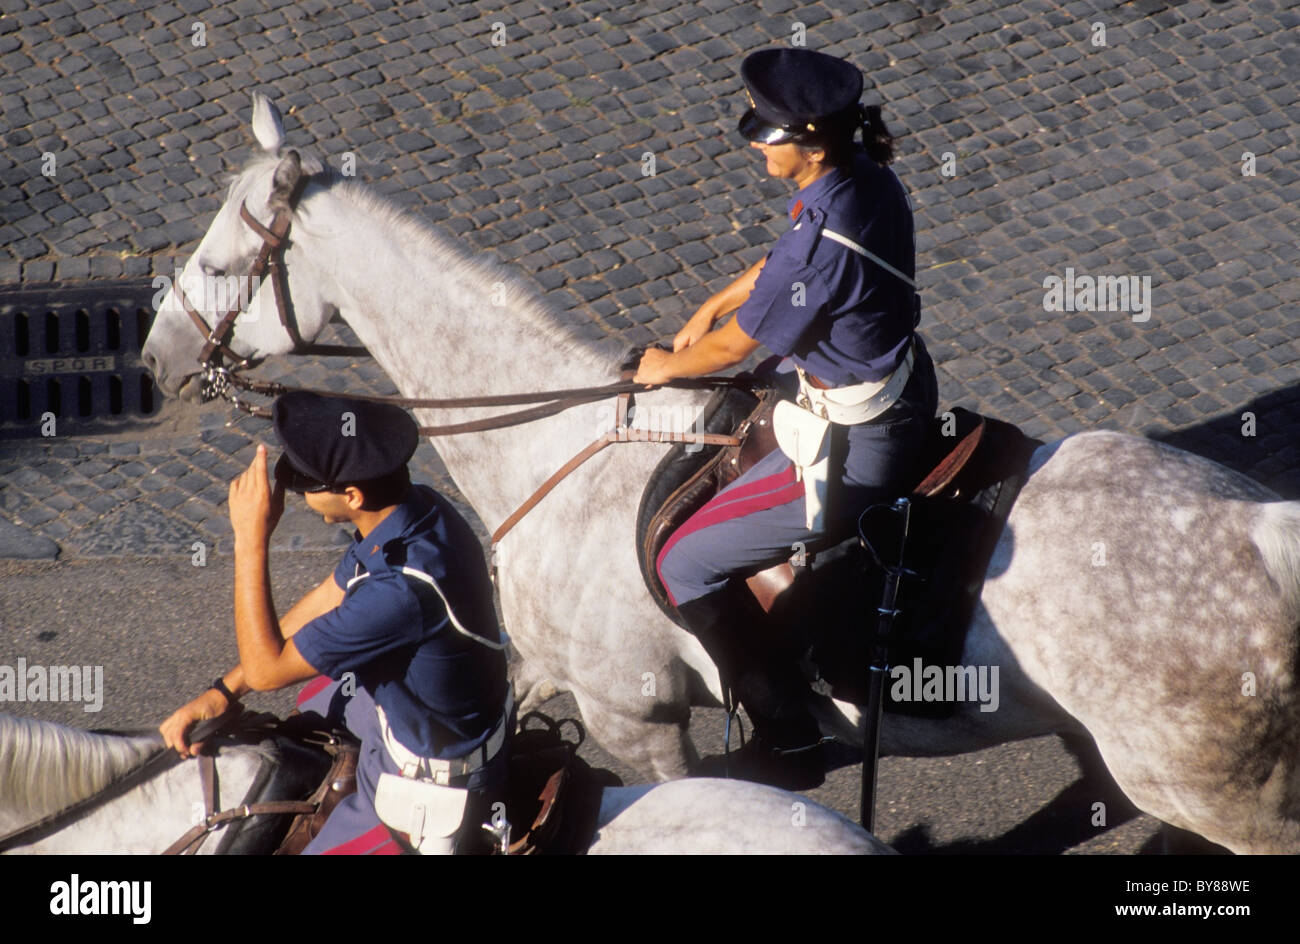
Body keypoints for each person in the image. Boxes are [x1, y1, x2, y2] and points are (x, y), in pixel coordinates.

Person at [634, 48, 939, 789]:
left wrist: (663, 367)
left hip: (858, 440)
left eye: (765, 132)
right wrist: (709, 304)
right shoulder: (859, 179)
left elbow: (739, 345)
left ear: (812, 141)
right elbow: (784, 259)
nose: (752, 141)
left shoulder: (823, 238)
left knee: (684, 561)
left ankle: (788, 736)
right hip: (906, 379)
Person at [159, 390, 511, 854]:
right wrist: (223, 692)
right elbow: (327, 598)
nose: (293, 487)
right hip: (426, 710)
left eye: (303, 480)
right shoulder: (415, 510)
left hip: (428, 776)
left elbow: (268, 670)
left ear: (352, 495)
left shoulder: (399, 592)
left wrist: (250, 541)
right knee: (308, 700)